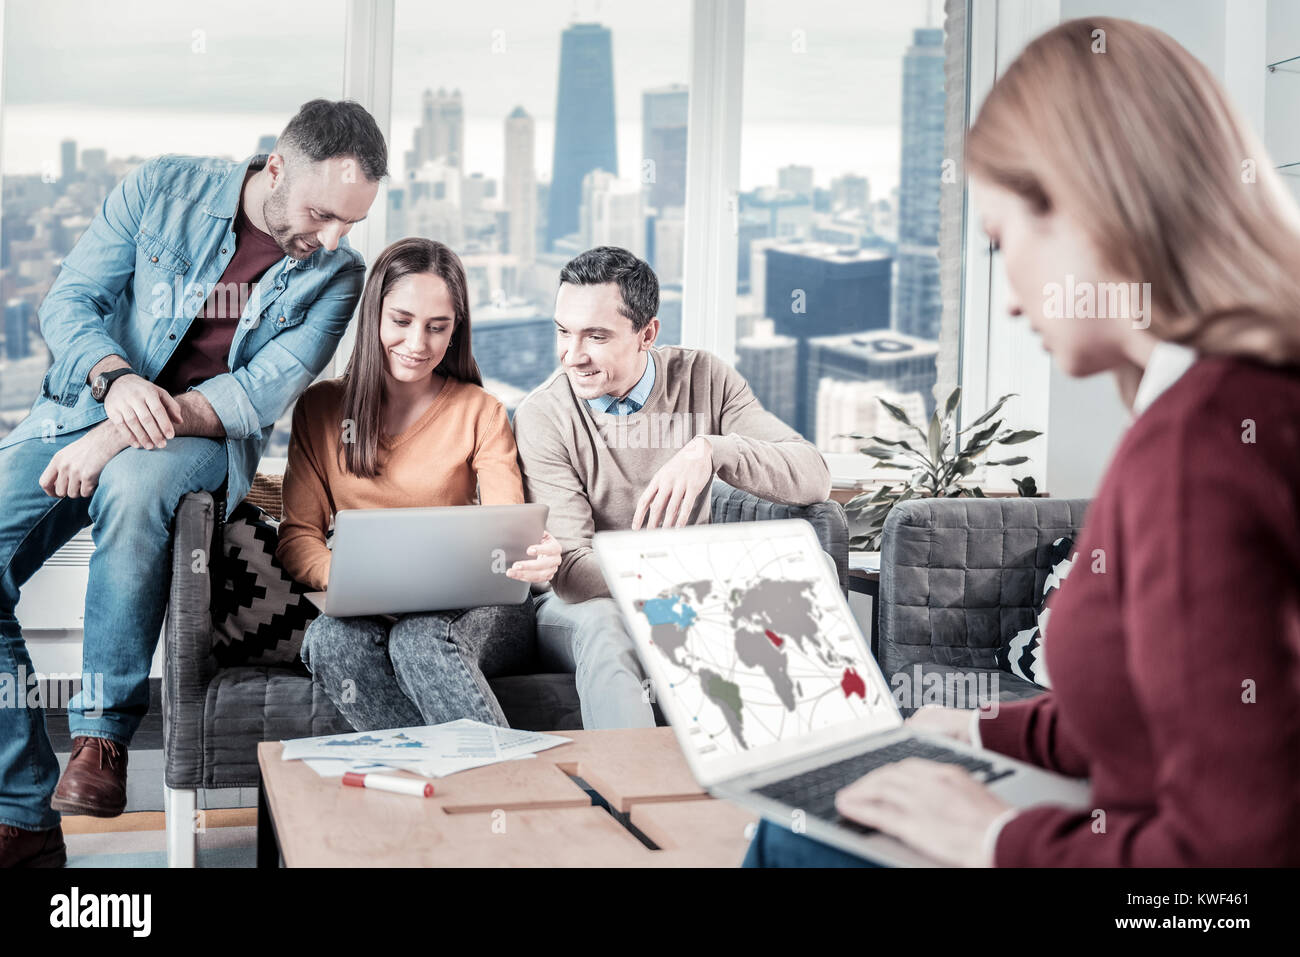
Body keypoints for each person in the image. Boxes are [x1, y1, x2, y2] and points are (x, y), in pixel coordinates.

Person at [746, 16, 1300, 867]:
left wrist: (993, 836)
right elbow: (1161, 713)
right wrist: (973, 724)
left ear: (1090, 205)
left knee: (795, 839)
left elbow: (1223, 882)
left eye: (1005, 244)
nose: (1009, 299)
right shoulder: (1242, 400)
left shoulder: (1199, 445)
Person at [0, 99, 386, 868]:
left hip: (202, 442)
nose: (333, 238)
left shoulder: (337, 276)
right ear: (276, 168)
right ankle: (22, 812)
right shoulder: (162, 190)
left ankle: (102, 740)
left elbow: (257, 393)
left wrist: (123, 430)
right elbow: (70, 301)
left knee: (137, 482)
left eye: (351, 222)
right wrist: (113, 386)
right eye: (321, 213)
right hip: (79, 407)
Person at [512, 246, 832, 730]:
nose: (572, 356)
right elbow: (573, 573)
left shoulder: (704, 377)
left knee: (813, 566)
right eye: (563, 331)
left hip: (683, 588)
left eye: (596, 336)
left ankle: (785, 779)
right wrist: (683, 586)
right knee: (605, 626)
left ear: (647, 334)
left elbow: (813, 475)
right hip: (586, 605)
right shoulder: (544, 416)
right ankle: (633, 798)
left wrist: (710, 451)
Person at [277, 238, 561, 731]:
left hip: (478, 613)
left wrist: (531, 556)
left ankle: (498, 785)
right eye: (402, 322)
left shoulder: (481, 411)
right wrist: (358, 579)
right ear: (375, 318)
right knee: (327, 639)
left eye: (437, 327)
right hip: (370, 609)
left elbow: (507, 532)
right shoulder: (321, 409)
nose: (417, 344)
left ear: (456, 331)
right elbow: (298, 537)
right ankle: (433, 783)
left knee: (420, 635)